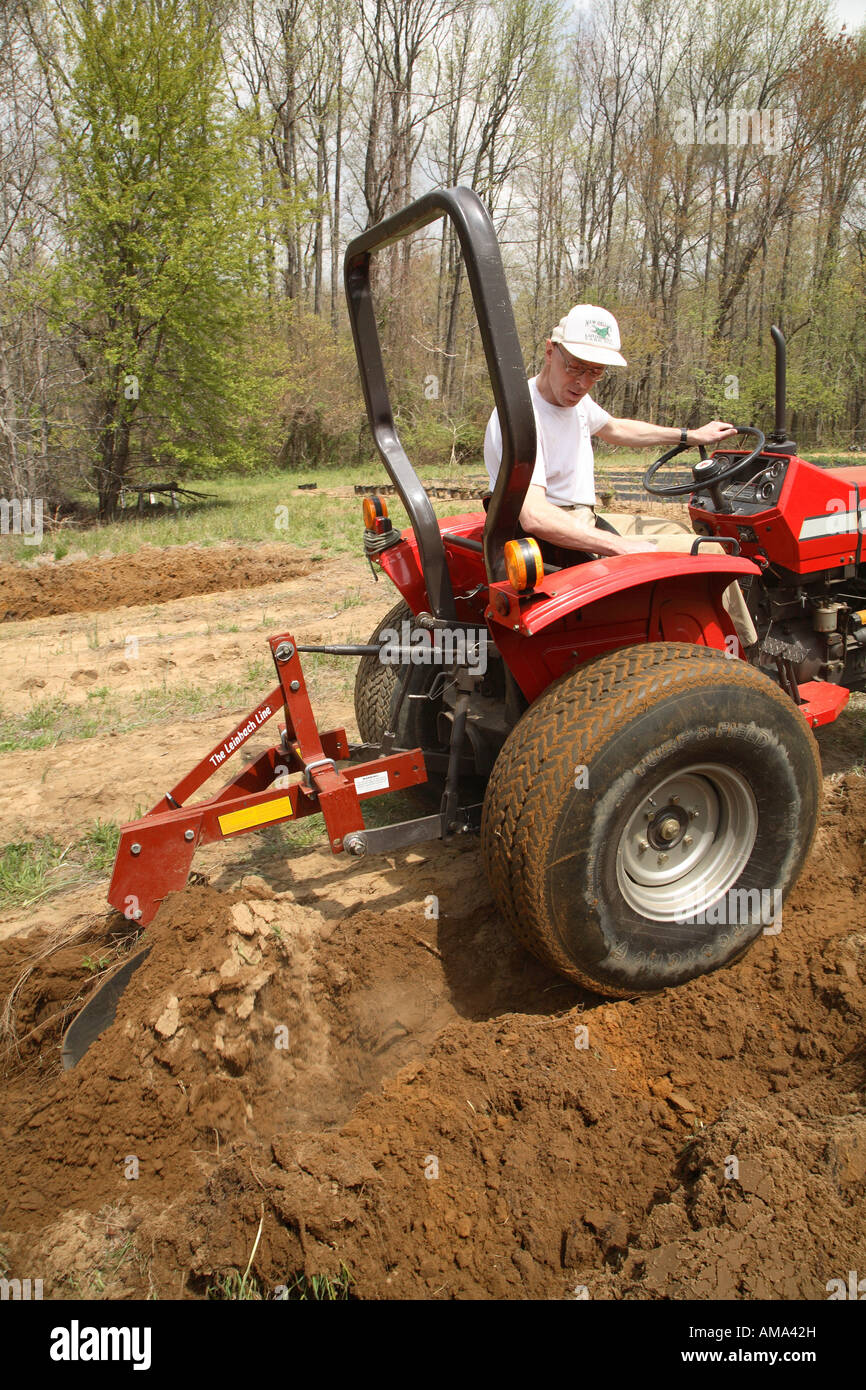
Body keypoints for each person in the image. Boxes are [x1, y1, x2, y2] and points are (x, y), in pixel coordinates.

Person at [483, 303, 757, 643]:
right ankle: (746, 656)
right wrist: (620, 547)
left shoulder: (573, 399)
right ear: (550, 351)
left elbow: (614, 428)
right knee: (713, 549)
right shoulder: (523, 418)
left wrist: (690, 435)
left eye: (595, 373)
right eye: (576, 368)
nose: (583, 383)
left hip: (584, 518)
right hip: (564, 535)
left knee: (671, 527)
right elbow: (537, 517)